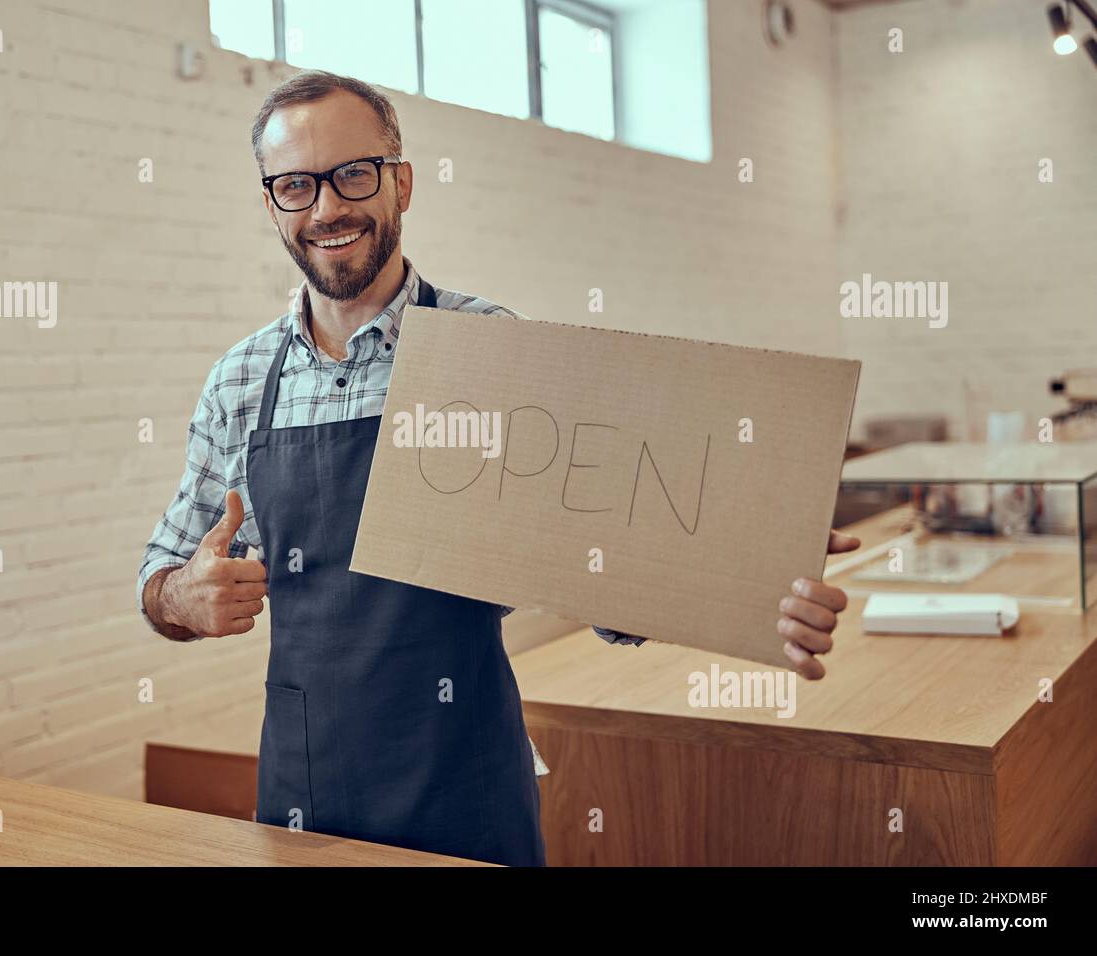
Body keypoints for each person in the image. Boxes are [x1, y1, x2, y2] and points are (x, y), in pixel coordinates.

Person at [137, 70, 858, 866]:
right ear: (272, 203)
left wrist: (751, 565)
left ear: (401, 183)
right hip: (307, 793)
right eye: (296, 185)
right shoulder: (240, 382)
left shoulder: (490, 350)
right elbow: (163, 572)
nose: (328, 207)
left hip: (468, 783)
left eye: (353, 173)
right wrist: (182, 598)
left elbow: (600, 559)